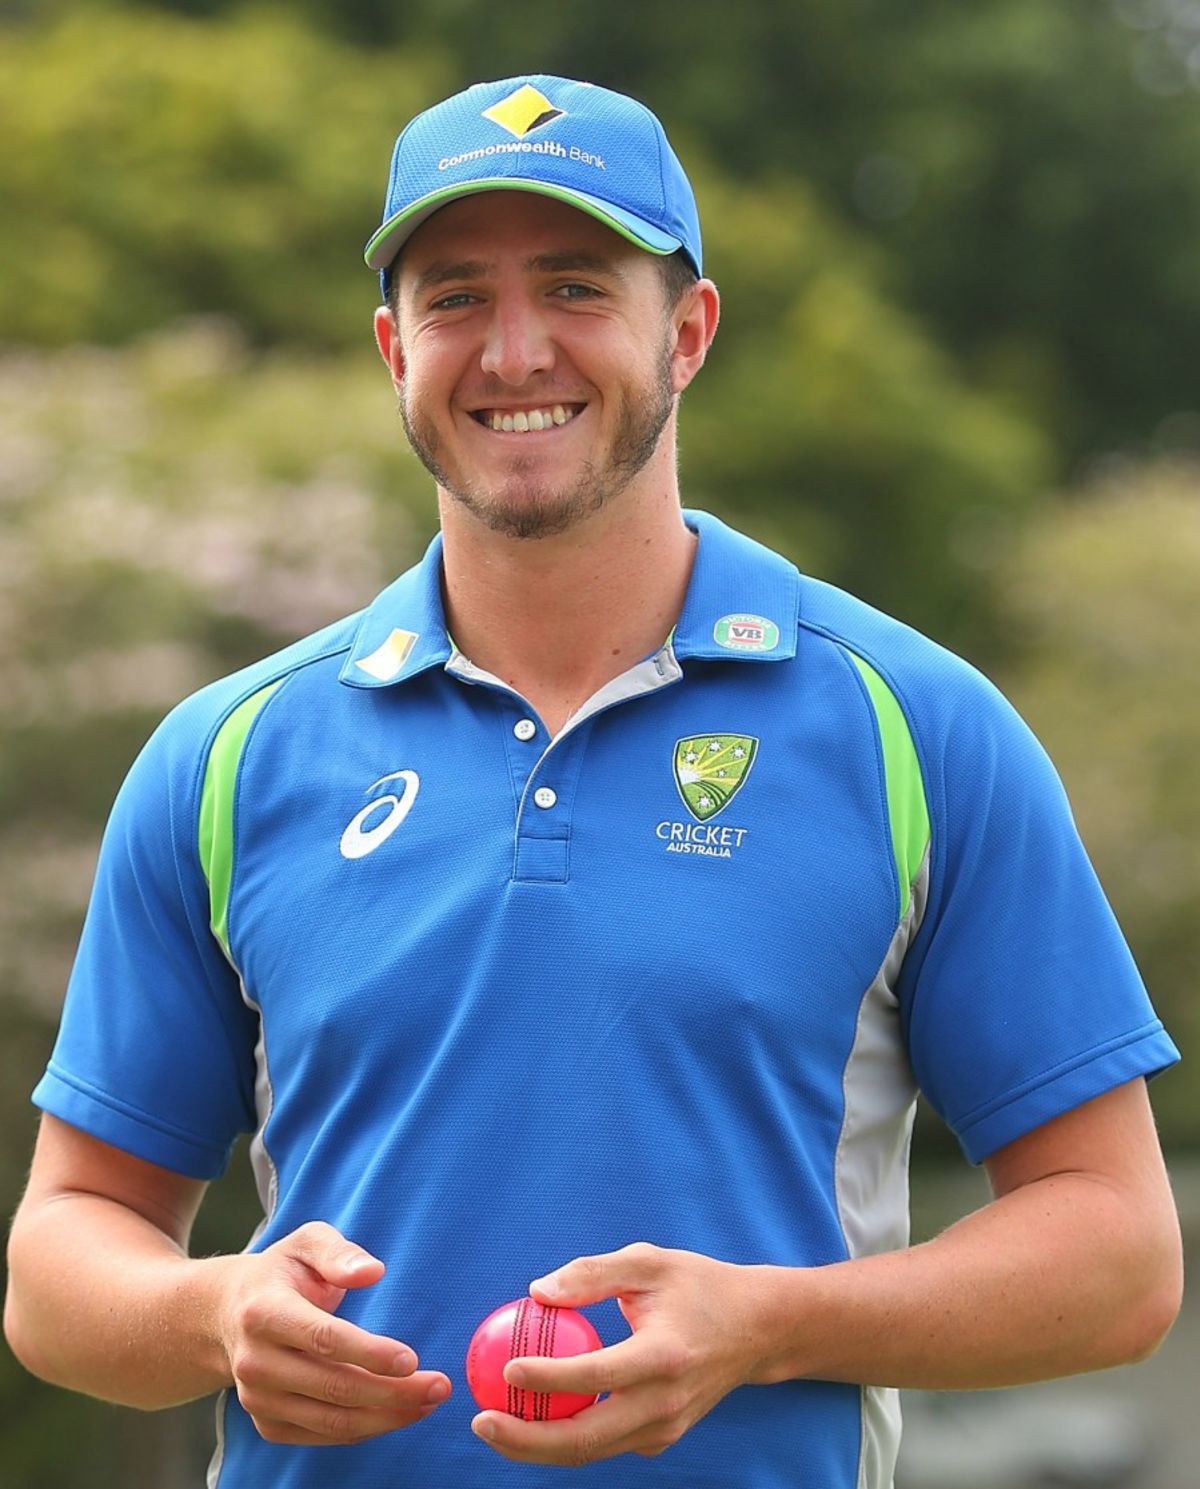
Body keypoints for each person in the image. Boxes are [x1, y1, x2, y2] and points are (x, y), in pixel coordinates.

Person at [3, 74, 1183, 1489]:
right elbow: (60, 1262)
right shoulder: (228, 756)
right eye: (455, 298)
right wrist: (212, 1311)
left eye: (575, 287)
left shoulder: (918, 730)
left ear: (687, 332)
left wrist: (771, 1325)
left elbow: (1118, 1255)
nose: (514, 352)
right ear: (392, 348)